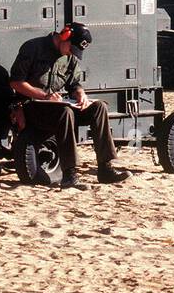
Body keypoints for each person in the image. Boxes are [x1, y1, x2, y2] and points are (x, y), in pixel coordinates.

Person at [9, 23, 130, 188]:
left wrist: (80, 93)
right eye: (71, 48)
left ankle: (105, 168)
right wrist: (45, 96)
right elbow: (16, 82)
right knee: (65, 112)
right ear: (64, 36)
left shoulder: (70, 57)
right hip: (32, 106)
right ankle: (70, 174)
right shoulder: (33, 48)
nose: (71, 53)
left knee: (99, 107)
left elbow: (74, 83)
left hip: (57, 105)